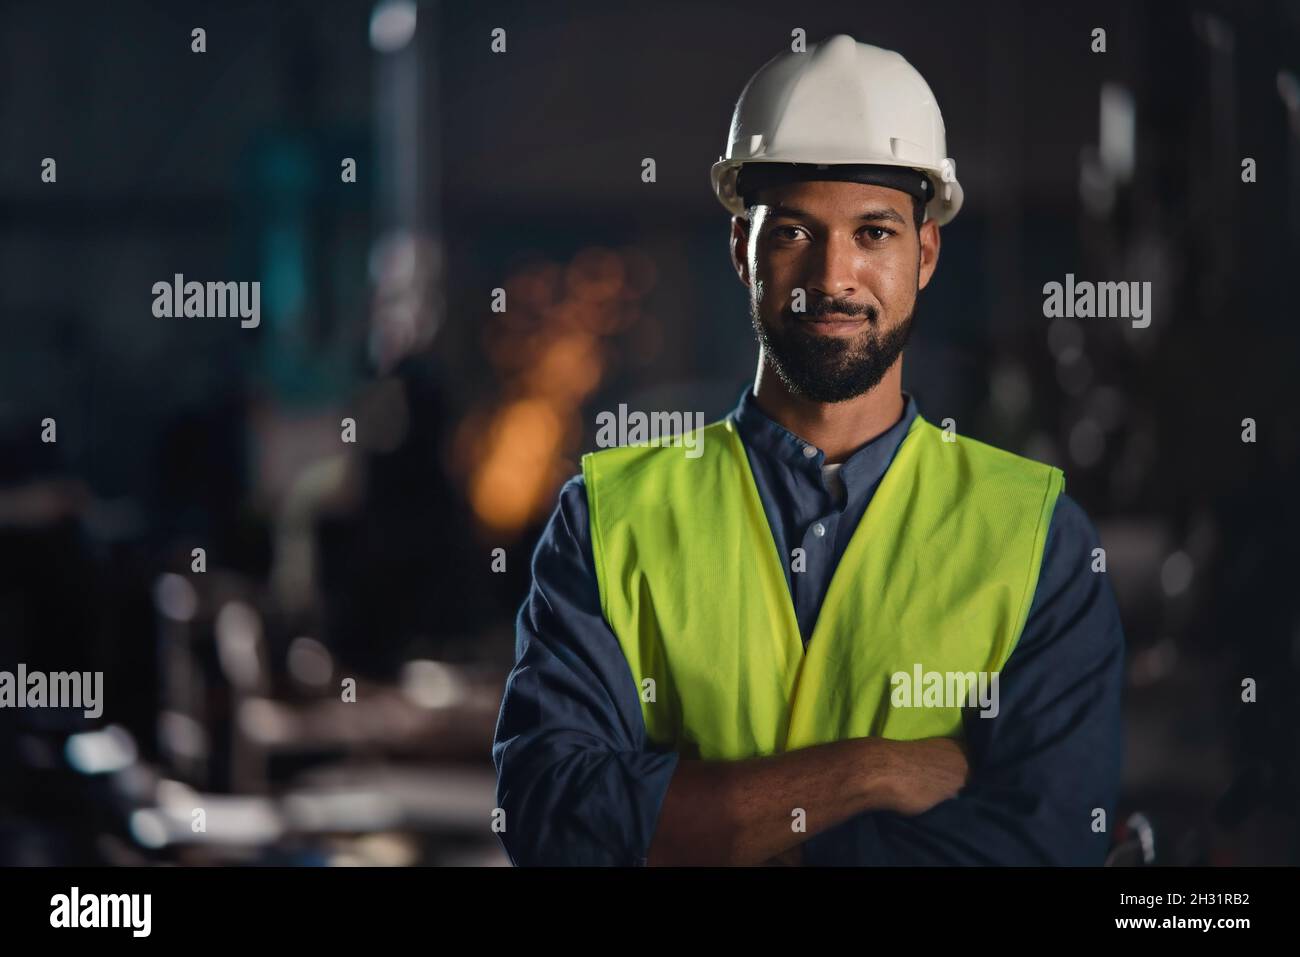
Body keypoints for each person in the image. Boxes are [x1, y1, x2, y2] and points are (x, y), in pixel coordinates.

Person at [492, 34, 1124, 866]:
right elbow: (555, 819)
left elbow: (1045, 847)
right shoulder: (609, 519)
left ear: (925, 253)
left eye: (874, 233)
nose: (833, 275)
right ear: (739, 248)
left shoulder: (1039, 536)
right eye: (793, 231)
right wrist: (867, 772)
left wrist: (715, 826)